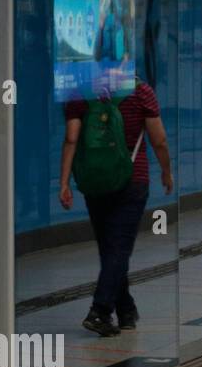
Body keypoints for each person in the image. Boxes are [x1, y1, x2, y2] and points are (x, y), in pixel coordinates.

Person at [60, 79, 173, 337]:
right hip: (132, 179)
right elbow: (160, 140)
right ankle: (100, 310)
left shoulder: (80, 92)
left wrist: (64, 182)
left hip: (94, 181)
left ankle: (125, 310)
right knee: (119, 248)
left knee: (110, 248)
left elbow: (71, 139)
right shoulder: (141, 92)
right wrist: (167, 171)